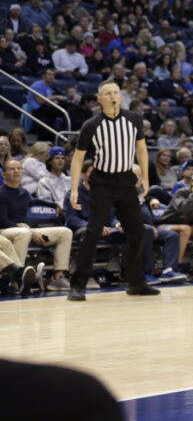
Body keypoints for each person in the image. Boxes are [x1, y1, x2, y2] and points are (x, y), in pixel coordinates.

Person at [67, 80, 160, 300]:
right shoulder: (91, 125)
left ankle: (135, 282)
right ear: (100, 99)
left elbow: (142, 150)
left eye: (116, 92)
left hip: (127, 183)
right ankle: (77, 285)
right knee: (93, 232)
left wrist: (145, 178)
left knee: (138, 230)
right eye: (107, 93)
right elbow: (78, 159)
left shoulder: (134, 119)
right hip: (102, 183)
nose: (113, 96)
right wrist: (73, 189)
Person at [1, 158, 74, 291]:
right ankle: (16, 280)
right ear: (3, 174)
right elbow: (2, 221)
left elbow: (35, 201)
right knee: (23, 233)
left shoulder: (23, 193)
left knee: (65, 232)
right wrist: (30, 232)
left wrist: (55, 205)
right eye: (12, 169)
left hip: (25, 229)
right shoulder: (1, 193)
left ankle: (58, 278)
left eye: (19, 168)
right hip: (5, 230)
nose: (16, 171)